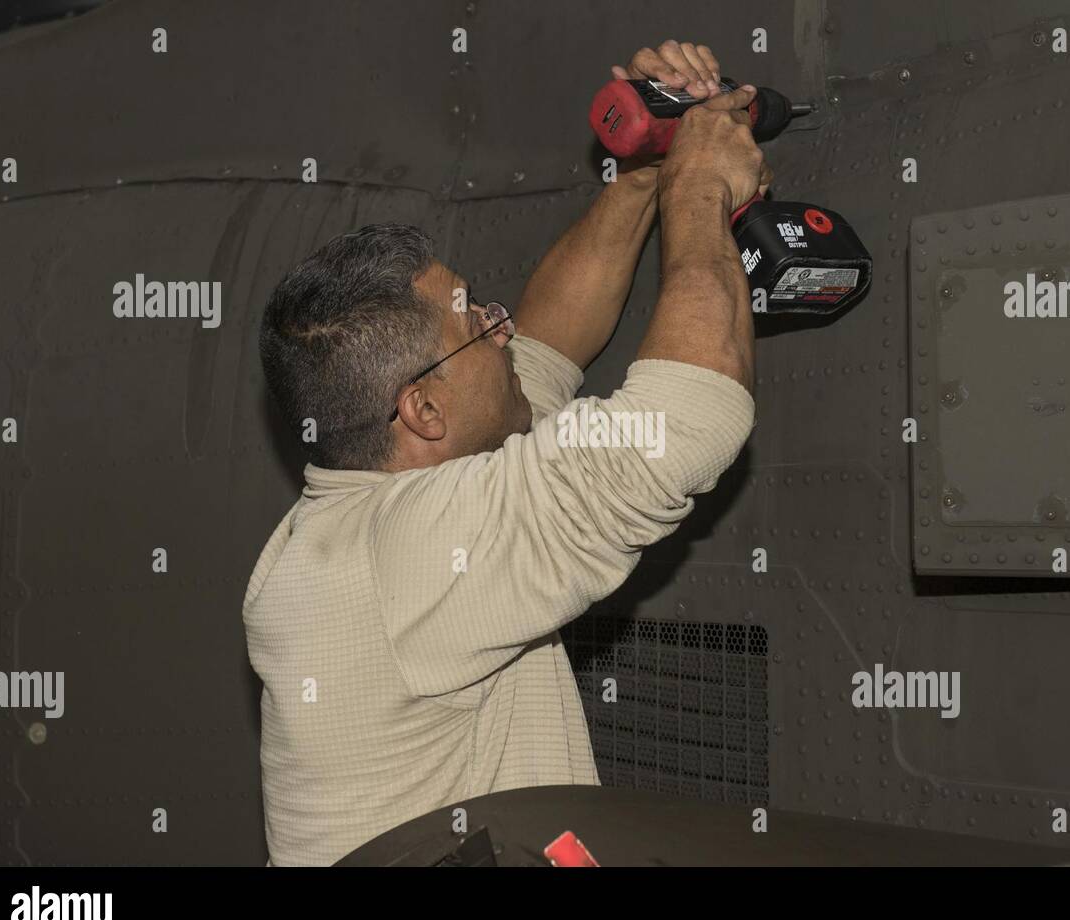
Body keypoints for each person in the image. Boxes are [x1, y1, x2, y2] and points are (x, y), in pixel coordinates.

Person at [244, 40, 769, 865]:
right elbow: (688, 420)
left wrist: (647, 168)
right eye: (478, 323)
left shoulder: (377, 499)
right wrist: (701, 188)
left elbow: (547, 347)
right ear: (422, 410)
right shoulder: (414, 553)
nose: (503, 326)